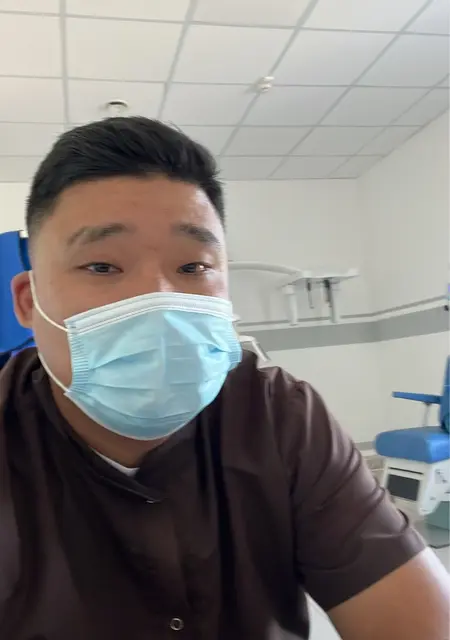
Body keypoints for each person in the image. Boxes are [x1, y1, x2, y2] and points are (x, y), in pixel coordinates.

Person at [0, 117, 448, 640]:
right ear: (29, 301)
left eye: (193, 267)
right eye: (101, 266)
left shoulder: (278, 416)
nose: (159, 300)